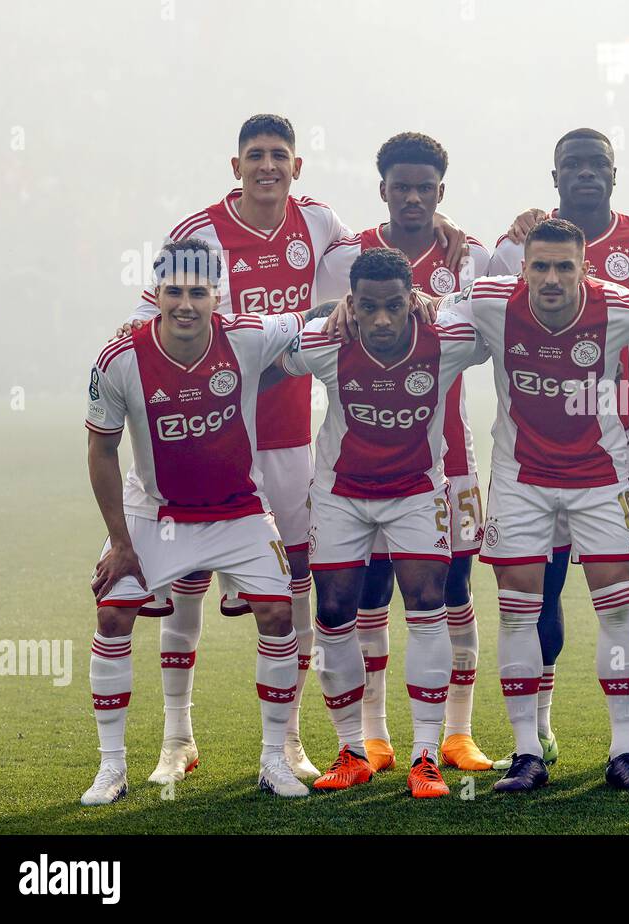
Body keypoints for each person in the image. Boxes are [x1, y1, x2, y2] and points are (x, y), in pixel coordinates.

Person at [123, 114, 352, 783]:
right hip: (206, 436)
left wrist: (451, 240)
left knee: (291, 591)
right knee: (188, 585)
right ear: (236, 166)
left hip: (284, 438)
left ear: (297, 166)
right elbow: (149, 316)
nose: (267, 167)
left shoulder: (318, 222)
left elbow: (372, 257)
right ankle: (178, 739)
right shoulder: (198, 234)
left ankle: (288, 744)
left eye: (279, 156)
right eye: (255, 156)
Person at [441, 218, 629, 792]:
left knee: (616, 609)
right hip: (520, 476)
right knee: (517, 611)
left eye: (565, 266)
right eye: (540, 265)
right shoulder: (490, 302)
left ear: (585, 269)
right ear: (523, 269)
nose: (552, 277)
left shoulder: (620, 308)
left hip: (598, 474)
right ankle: (525, 753)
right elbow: (429, 308)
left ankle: (623, 751)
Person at [84, 238, 310, 804]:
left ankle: (272, 760)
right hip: (154, 511)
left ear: (217, 296)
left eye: (198, 293)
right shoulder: (119, 359)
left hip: (238, 511)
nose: (186, 304)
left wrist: (364, 304)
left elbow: (315, 317)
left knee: (279, 612)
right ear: (156, 294)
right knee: (112, 617)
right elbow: (101, 449)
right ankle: (112, 768)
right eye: (175, 292)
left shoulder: (249, 337)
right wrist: (119, 541)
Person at [486, 128, 629, 770]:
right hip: (528, 461)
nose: (587, 173)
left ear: (615, 172)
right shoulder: (513, 251)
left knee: (626, 585)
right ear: (556, 174)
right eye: (574, 164)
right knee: (533, 591)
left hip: (620, 445)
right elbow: (448, 312)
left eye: (598, 163)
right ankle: (532, 734)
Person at [314, 132, 494, 773]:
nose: (413, 197)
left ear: (441, 192)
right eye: (401, 187)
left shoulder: (468, 253)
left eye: (426, 188)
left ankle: (457, 733)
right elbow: (322, 328)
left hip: (448, 451)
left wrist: (438, 297)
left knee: (452, 588)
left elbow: (483, 317)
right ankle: (371, 736)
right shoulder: (347, 257)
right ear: (382, 189)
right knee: (366, 592)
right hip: (365, 453)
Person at [285, 247, 491, 798]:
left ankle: (426, 756)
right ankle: (352, 748)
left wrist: (441, 301)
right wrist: (320, 309)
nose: (381, 320)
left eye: (394, 306)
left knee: (429, 607)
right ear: (352, 305)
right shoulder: (324, 343)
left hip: (416, 493)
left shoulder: (447, 341)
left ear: (411, 303)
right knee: (332, 612)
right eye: (368, 307)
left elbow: (495, 312)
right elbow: (261, 341)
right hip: (340, 495)